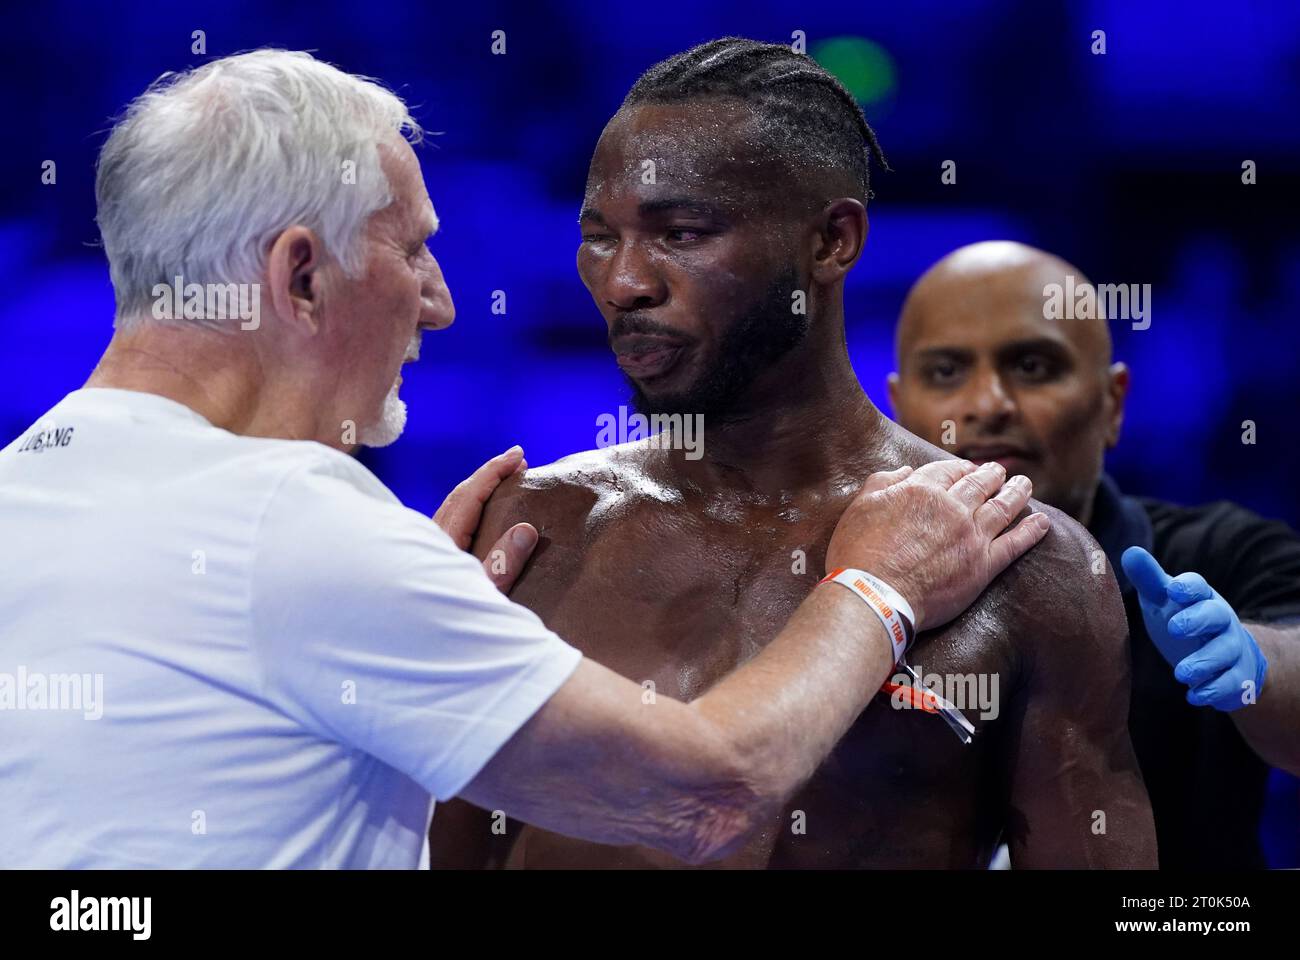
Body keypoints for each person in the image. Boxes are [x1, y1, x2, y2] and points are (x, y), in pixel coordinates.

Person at [0, 49, 1049, 870]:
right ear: (301, 274)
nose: (441, 301)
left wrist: (409, 647)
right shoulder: (298, 522)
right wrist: (875, 587)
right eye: (410, 249)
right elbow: (709, 795)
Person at [428, 38, 1155, 869]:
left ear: (832, 243)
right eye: (600, 236)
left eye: (683, 231)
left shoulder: (1027, 566)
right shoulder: (524, 538)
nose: (625, 281)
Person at [888, 239, 1300, 868]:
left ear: (1113, 402)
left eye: (1032, 366)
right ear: (895, 406)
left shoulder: (1220, 552)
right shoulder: (843, 582)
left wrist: (1254, 665)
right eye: (946, 372)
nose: (987, 404)